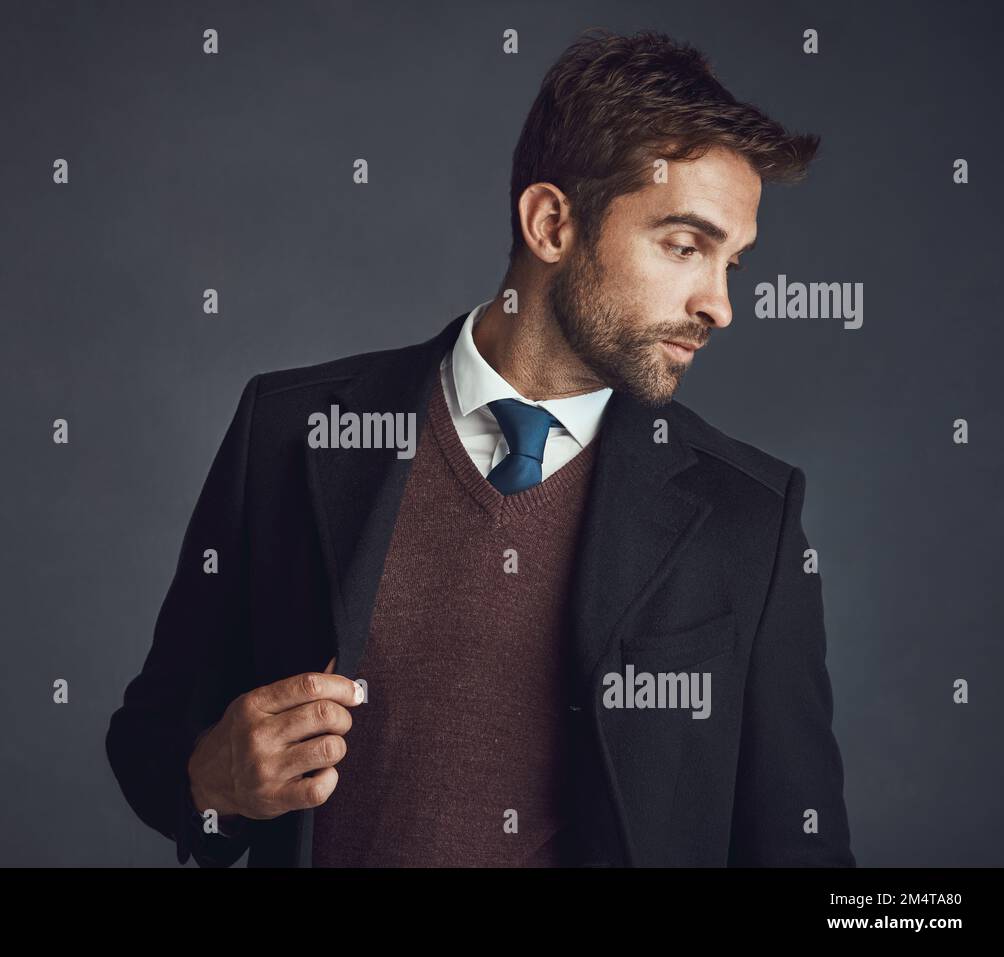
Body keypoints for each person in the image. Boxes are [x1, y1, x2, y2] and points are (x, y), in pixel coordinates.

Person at [106, 28, 854, 868]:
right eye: (685, 246)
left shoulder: (748, 517)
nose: (718, 305)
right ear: (551, 223)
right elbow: (151, 739)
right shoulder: (290, 429)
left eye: (734, 263)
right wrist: (214, 781)